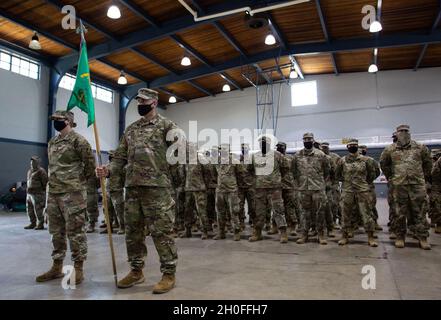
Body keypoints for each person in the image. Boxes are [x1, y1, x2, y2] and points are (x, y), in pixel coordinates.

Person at [96, 88, 180, 293]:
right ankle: (136, 271)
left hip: (157, 189)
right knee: (133, 232)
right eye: (138, 101)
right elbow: (120, 157)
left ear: (153, 102)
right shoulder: (131, 130)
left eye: (143, 101)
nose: (139, 104)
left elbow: (178, 158)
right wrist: (107, 170)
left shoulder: (167, 126)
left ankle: (169, 273)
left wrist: (170, 181)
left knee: (162, 232)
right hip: (132, 188)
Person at [36, 110, 95, 285]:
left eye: (58, 119)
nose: (55, 122)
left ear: (68, 121)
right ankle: (57, 266)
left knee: (76, 233)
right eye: (53, 119)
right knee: (56, 232)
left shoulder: (79, 141)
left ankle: (78, 269)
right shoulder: (52, 142)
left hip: (73, 194)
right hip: (54, 193)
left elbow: (90, 166)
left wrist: (76, 182)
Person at [380, 124, 432, 249]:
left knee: (420, 211)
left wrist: (421, 177)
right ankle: (400, 236)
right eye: (401, 131)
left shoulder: (420, 147)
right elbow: (384, 164)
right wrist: (392, 178)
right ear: (396, 133)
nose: (403, 133)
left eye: (406, 131)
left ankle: (422, 237)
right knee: (399, 212)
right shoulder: (390, 150)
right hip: (399, 185)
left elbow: (427, 163)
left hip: (417, 185)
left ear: (409, 133)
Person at [336, 139, 379, 247]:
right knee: (345, 214)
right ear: (347, 147)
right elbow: (337, 175)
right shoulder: (342, 161)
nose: (352, 147)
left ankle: (370, 237)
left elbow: (373, 173)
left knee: (367, 214)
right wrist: (347, 182)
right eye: (350, 145)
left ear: (357, 146)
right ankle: (344, 236)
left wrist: (364, 183)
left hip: (362, 191)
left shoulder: (366, 160)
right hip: (348, 191)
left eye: (354, 145)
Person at [292, 133, 330, 245]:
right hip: (303, 189)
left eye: (309, 139)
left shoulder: (320, 155)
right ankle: (304, 234)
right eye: (305, 139)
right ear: (302, 141)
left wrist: (320, 182)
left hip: (318, 188)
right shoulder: (297, 155)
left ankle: (321, 234)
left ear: (313, 140)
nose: (307, 141)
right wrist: (299, 184)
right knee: (304, 213)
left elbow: (326, 171)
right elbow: (294, 172)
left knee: (320, 212)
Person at [249, 136, 288, 243]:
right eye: (261, 143)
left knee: (278, 210)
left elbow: (285, 169)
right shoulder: (254, 156)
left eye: (265, 143)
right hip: (260, 188)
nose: (263, 145)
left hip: (274, 187)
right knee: (259, 211)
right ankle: (257, 232)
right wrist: (256, 181)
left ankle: (283, 232)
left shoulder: (277, 155)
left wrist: (277, 179)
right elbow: (249, 171)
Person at [183, 143, 210, 239]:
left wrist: (204, 185)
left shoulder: (201, 159)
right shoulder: (186, 161)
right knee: (187, 211)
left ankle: (204, 231)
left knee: (201, 211)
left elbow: (207, 173)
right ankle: (187, 230)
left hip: (199, 189)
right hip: (189, 189)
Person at [275, 142, 298, 234]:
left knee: (290, 206)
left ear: (285, 147)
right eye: (278, 147)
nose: (279, 148)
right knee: (277, 207)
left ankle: (293, 226)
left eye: (281, 147)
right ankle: (275, 226)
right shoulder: (274, 158)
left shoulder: (291, 158)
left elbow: (296, 171)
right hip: (277, 186)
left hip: (289, 185)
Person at [359, 145, 382, 232]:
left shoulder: (370, 160)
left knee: (371, 205)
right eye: (360, 150)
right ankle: (358, 223)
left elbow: (377, 172)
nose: (362, 151)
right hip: (358, 187)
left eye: (363, 150)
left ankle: (375, 222)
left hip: (369, 187)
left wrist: (369, 180)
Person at [25, 156, 48, 230]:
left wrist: (42, 192)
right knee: (29, 209)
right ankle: (32, 223)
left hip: (38, 194)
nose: (32, 163)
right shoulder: (29, 171)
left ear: (38, 162)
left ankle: (40, 224)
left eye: (34, 161)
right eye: (31, 161)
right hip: (29, 194)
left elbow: (45, 183)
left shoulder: (41, 171)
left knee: (38, 210)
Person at [236, 143, 255, 228]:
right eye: (243, 148)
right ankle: (242, 221)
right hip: (240, 187)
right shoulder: (237, 160)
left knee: (253, 205)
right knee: (240, 205)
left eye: (246, 148)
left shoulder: (252, 159)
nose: (244, 150)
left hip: (251, 186)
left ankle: (253, 220)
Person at [430, 149, 441, 234]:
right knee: (436, 204)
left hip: (435, 185)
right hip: (437, 185)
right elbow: (433, 174)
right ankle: (438, 223)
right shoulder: (437, 162)